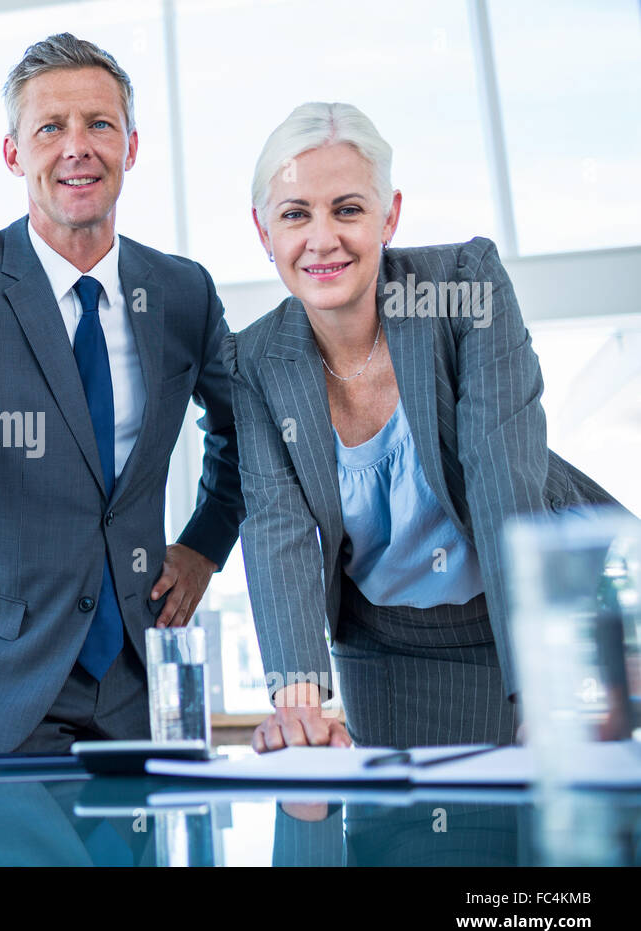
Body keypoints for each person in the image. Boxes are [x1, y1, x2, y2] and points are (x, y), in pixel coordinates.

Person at [0, 33, 243, 760]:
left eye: (99, 125)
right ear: (15, 153)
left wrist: (205, 546)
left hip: (144, 684)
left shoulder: (182, 292)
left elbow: (246, 434)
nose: (77, 146)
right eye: (50, 127)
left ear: (131, 146)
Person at [226, 102, 620, 753]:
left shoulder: (461, 285)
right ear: (264, 233)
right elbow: (277, 524)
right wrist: (299, 708)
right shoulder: (253, 361)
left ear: (390, 215)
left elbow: (503, 480)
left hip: (554, 609)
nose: (322, 238)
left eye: (348, 209)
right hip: (393, 652)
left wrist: (543, 687)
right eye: (295, 214)